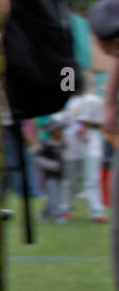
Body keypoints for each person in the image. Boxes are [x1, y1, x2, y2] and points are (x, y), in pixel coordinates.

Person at [55, 77, 105, 223]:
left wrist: (87, 124)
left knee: (92, 179)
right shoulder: (69, 102)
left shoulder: (94, 100)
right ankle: (65, 209)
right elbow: (62, 121)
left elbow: (101, 123)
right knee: (69, 179)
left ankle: (96, 212)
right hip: (71, 144)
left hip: (91, 144)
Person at [34, 125, 65, 223]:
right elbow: (36, 158)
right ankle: (57, 216)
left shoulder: (62, 144)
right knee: (53, 196)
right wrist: (51, 165)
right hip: (50, 176)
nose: (60, 132)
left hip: (60, 175)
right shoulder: (47, 145)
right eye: (58, 130)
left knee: (54, 196)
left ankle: (45, 214)